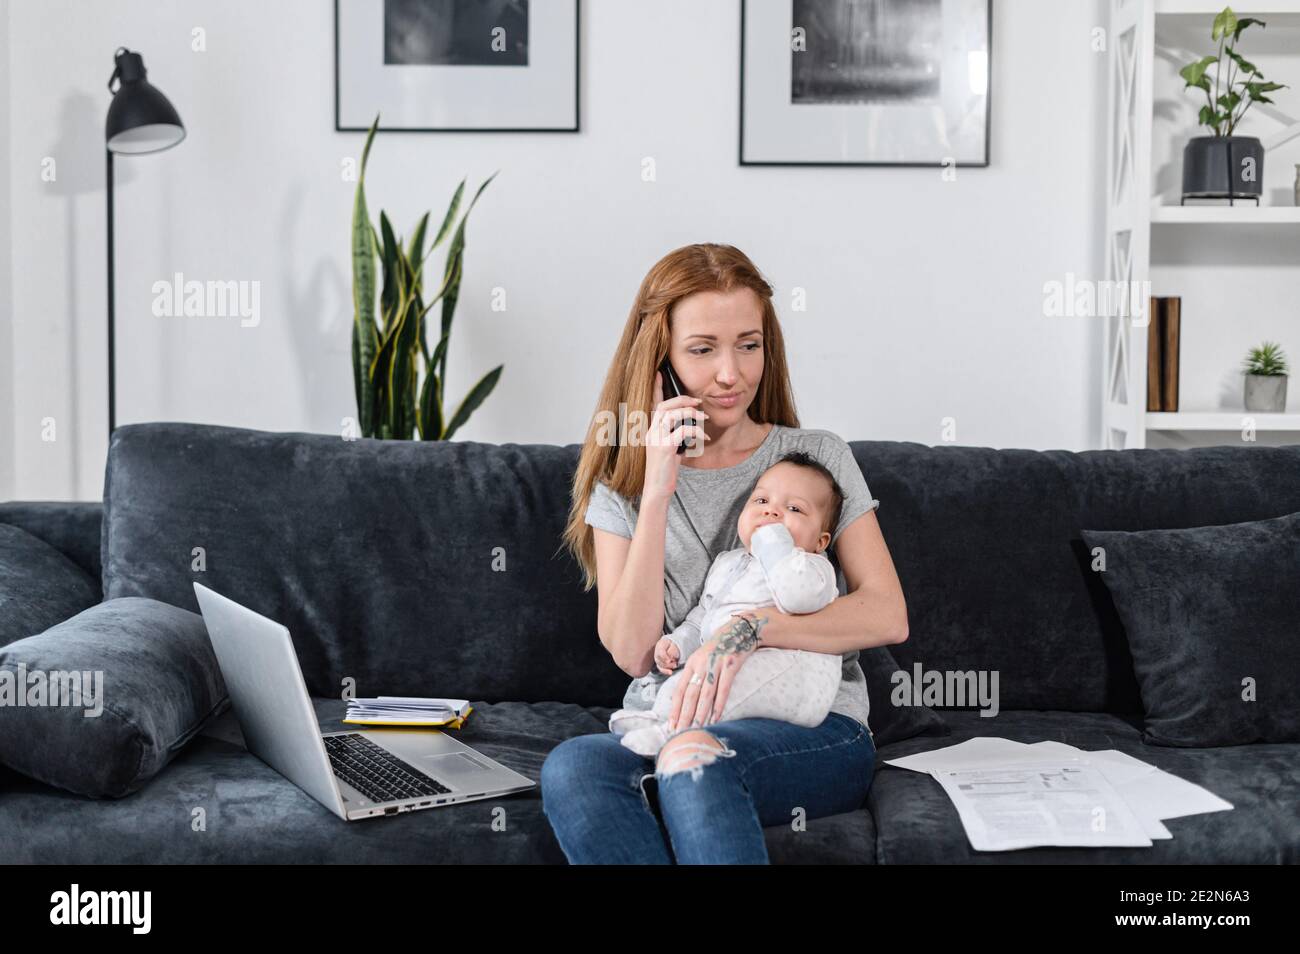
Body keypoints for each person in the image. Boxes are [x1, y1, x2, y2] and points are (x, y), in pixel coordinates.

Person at [541, 242, 909, 864]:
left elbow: (885, 615)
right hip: (675, 714)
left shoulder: (816, 456)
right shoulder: (622, 484)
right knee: (574, 767)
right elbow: (633, 653)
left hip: (812, 729)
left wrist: (752, 628)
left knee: (696, 761)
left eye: (749, 344)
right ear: (661, 362)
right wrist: (656, 488)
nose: (731, 374)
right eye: (703, 349)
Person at [608, 452, 847, 758]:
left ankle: (672, 730)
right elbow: (704, 618)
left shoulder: (812, 567)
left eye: (794, 508)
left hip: (794, 677)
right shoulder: (729, 562)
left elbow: (795, 597)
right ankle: (661, 718)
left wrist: (775, 546)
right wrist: (679, 643)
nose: (772, 513)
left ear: (821, 541)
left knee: (722, 678)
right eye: (761, 501)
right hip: (731, 663)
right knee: (693, 675)